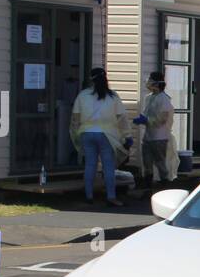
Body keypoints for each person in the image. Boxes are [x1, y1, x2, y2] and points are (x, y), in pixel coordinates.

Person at [69, 67, 130, 206]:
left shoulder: (83, 95)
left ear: (91, 79)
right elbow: (122, 118)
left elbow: (75, 118)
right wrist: (127, 135)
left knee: (90, 165)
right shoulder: (113, 96)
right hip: (107, 134)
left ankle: (89, 196)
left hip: (86, 132)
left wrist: (75, 134)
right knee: (108, 166)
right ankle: (111, 196)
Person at [133, 71, 176, 188]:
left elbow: (161, 119)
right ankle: (148, 188)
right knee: (147, 164)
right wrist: (143, 119)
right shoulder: (149, 98)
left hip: (160, 137)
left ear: (157, 83)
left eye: (150, 80)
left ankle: (164, 187)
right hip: (148, 137)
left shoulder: (164, 99)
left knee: (160, 163)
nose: (148, 82)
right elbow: (147, 114)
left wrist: (146, 120)